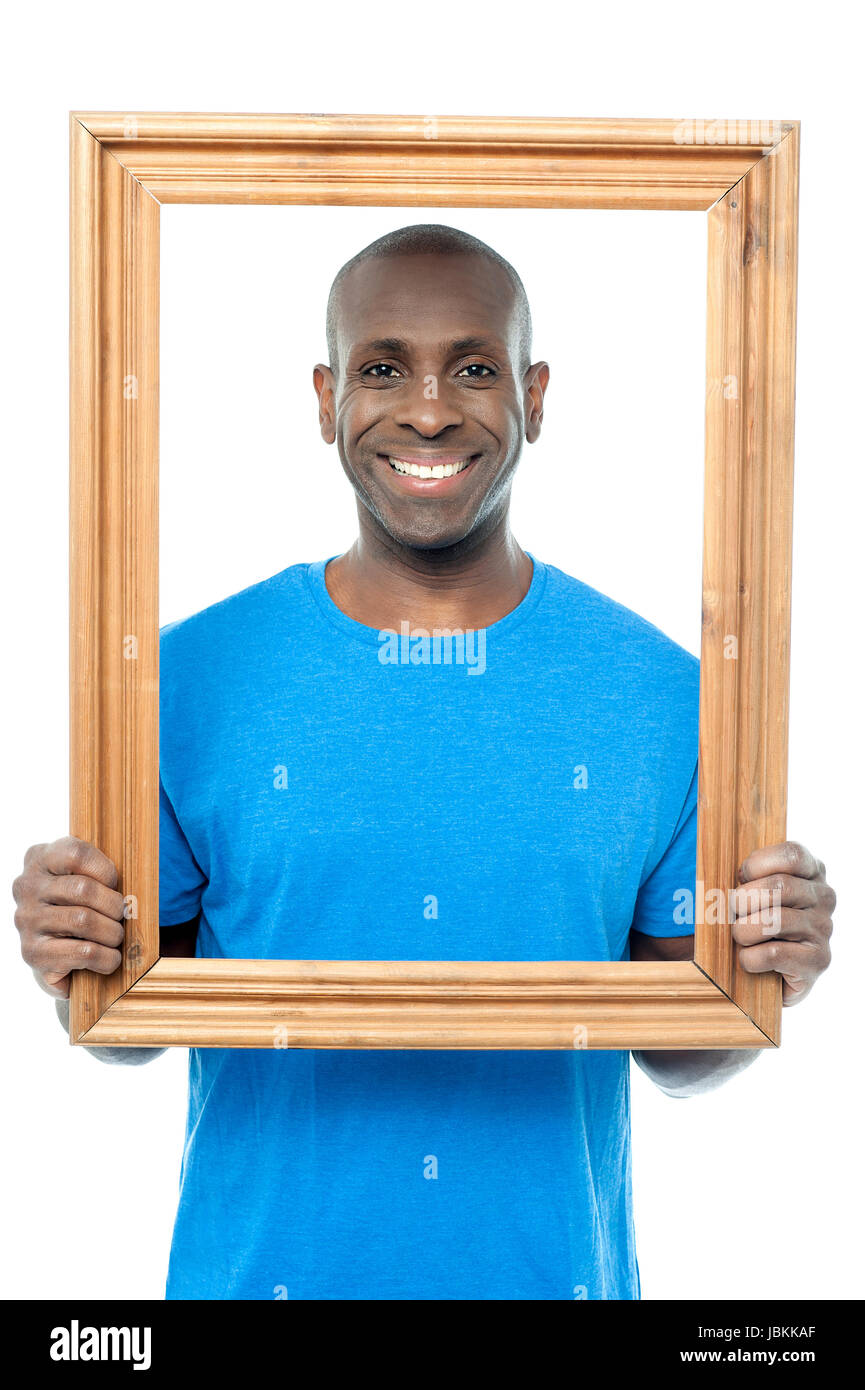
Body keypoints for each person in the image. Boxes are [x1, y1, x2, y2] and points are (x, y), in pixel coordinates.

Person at [12, 225, 836, 1301]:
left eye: (476, 367)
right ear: (324, 399)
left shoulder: (668, 698)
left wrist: (765, 978)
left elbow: (680, 1051)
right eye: (383, 367)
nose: (432, 408)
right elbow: (132, 1027)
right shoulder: (183, 681)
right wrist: (68, 956)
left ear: (536, 398)